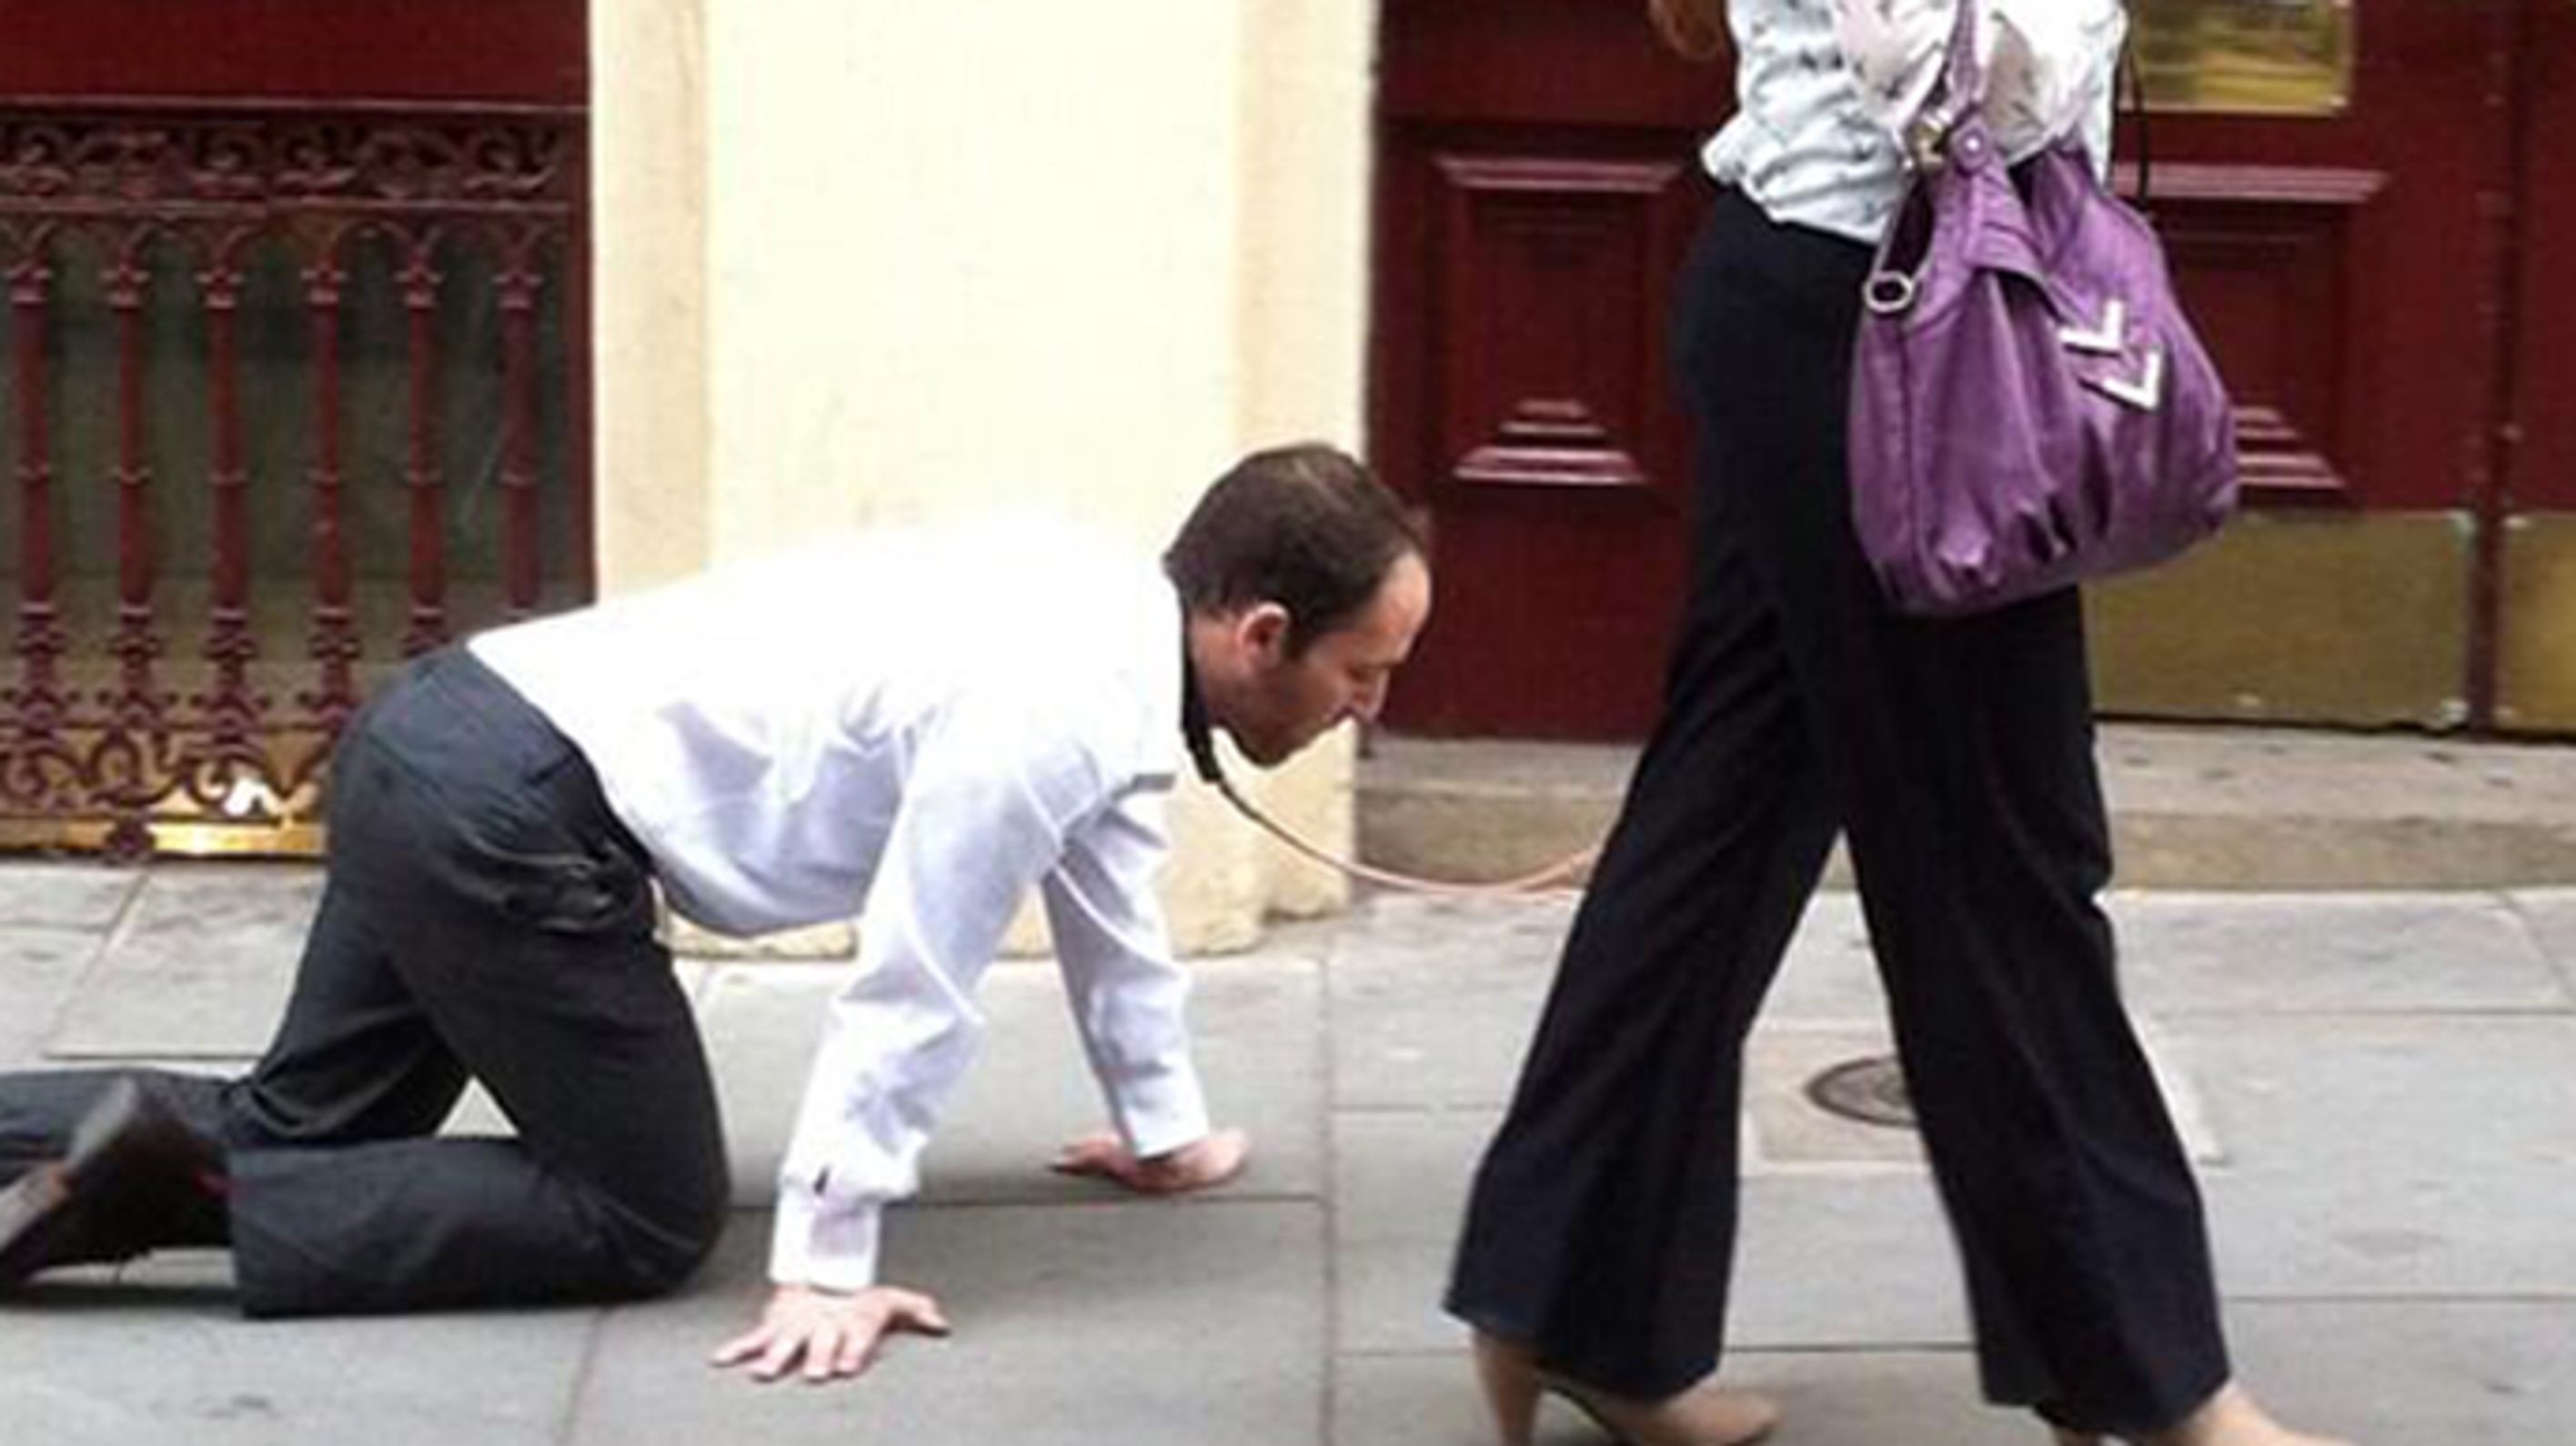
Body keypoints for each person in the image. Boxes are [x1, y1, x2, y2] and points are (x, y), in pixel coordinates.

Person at [0, 442, 1431, 1386]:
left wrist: (1166, 1123)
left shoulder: (1100, 619)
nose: (1371, 707)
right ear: (1259, 636)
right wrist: (827, 1256)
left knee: (310, 1122)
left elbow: (1111, 890)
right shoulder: (1057, 706)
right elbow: (916, 973)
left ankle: (162, 1161)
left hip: (438, 730)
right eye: (1363, 673)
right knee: (642, 1207)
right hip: (509, 817)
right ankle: (182, 1193)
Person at [1444, 5, 2350, 1446]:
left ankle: (1569, 1288)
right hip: (1906, 333)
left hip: (1822, 295)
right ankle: (2146, 1387)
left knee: (1723, 821)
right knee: (2002, 865)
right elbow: (1968, 60)